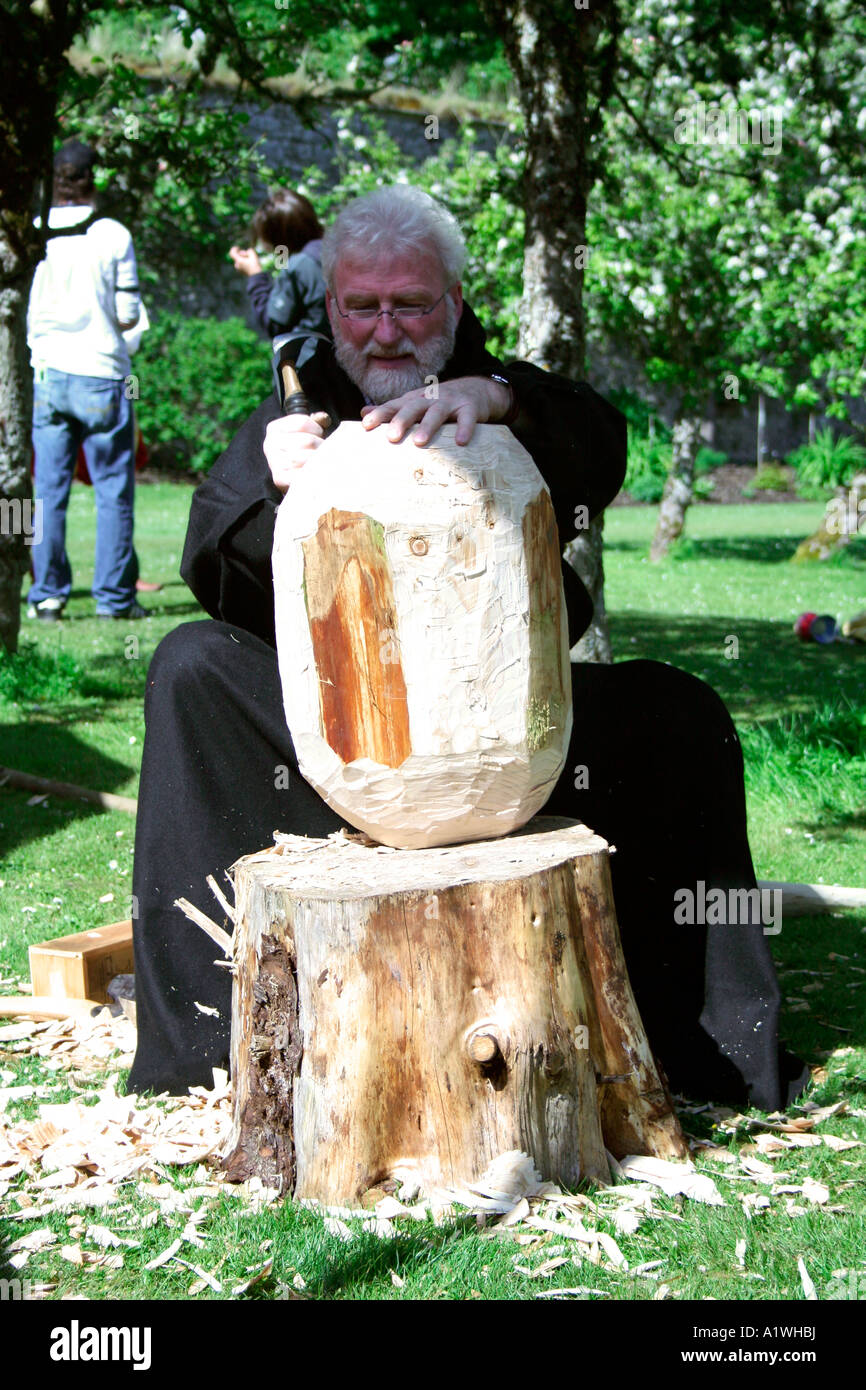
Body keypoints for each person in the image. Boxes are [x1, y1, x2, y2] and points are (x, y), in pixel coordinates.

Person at [127, 186, 808, 1113]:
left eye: (410, 305)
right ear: (332, 310)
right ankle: (206, 1048)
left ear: (452, 302)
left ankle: (706, 1048)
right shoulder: (301, 404)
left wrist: (502, 404)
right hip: (347, 748)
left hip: (513, 749)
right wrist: (265, 474)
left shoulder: (499, 386)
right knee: (191, 666)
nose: (386, 332)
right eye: (361, 308)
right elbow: (211, 564)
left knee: (678, 712)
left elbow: (601, 448)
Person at [27, 139, 148, 621]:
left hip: (46, 373)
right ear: (92, 179)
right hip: (101, 372)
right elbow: (127, 314)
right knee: (112, 492)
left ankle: (48, 595)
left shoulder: (32, 230)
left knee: (46, 493)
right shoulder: (112, 234)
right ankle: (114, 599)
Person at [229, 189, 329, 364]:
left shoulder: (299, 266)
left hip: (312, 365)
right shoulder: (328, 249)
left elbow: (274, 324)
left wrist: (255, 275)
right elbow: (284, 260)